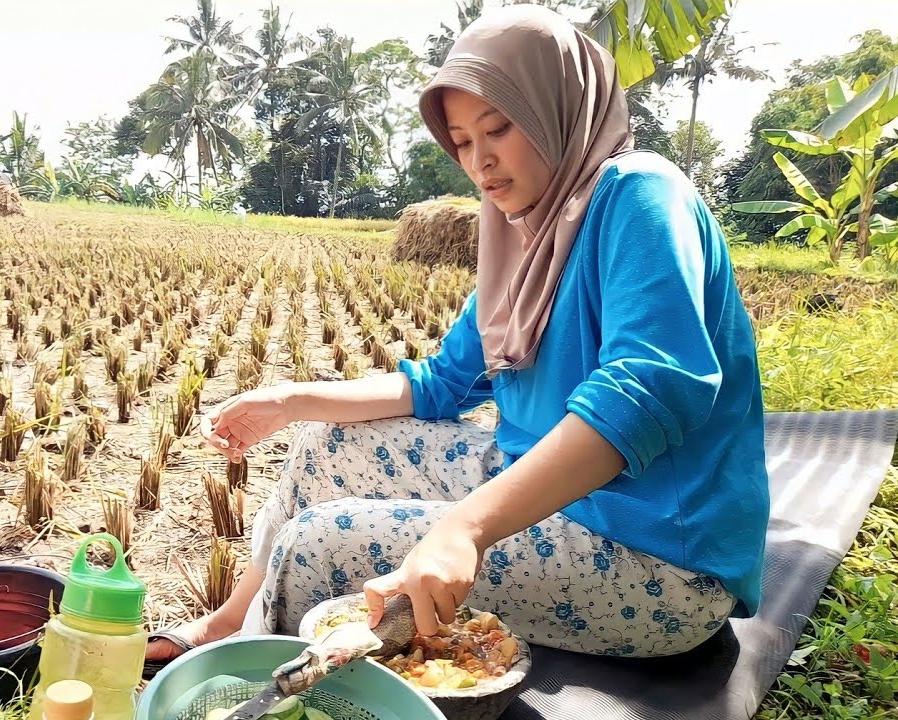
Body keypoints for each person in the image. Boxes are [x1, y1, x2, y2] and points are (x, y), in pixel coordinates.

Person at [144, 4, 770, 673]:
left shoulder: (640, 195)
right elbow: (442, 383)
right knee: (325, 446)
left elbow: (649, 390)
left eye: (500, 128)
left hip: (655, 554)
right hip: (545, 492)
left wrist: (465, 527)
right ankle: (229, 624)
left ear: (560, 110)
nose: (481, 162)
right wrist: (292, 398)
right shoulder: (524, 239)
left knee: (318, 546)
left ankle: (242, 685)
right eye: (464, 142)